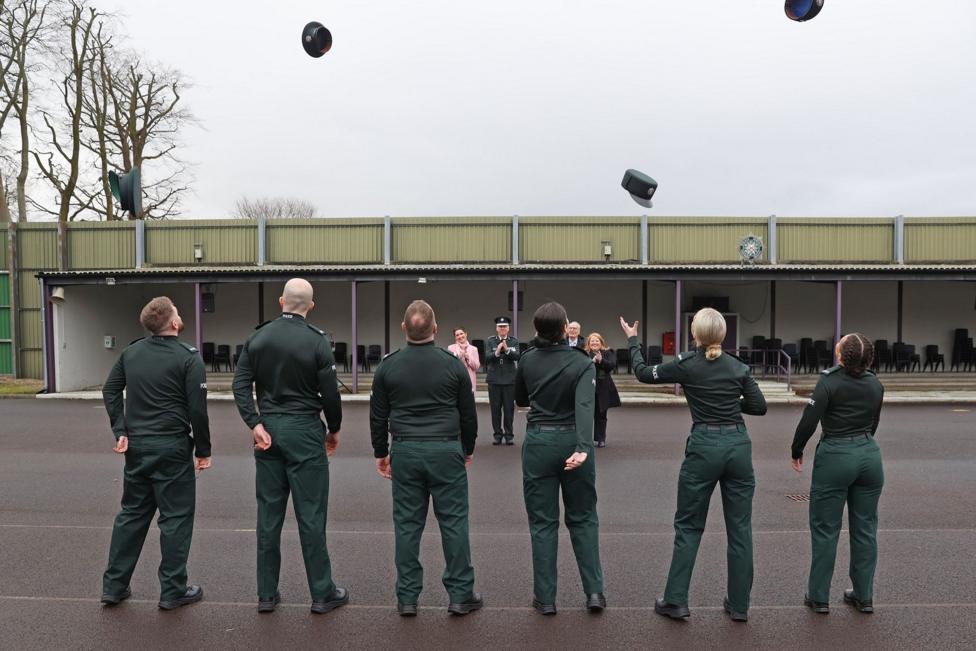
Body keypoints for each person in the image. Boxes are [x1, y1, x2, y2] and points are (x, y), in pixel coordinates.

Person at [620, 308, 767, 623]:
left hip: (704, 445)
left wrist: (633, 341)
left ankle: (676, 599)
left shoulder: (687, 364)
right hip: (738, 445)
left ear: (696, 334)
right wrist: (729, 401)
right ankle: (739, 605)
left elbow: (644, 373)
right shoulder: (738, 367)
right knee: (740, 529)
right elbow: (759, 406)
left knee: (688, 525)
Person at [232, 278, 347, 615]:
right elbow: (330, 394)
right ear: (310, 306)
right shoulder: (318, 341)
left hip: (268, 429)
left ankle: (266, 593)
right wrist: (335, 428)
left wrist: (254, 423)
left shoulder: (258, 337)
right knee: (311, 515)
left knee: (268, 515)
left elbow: (240, 386)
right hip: (305, 430)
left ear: (281, 300)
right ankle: (321, 592)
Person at [370, 300, 483, 617]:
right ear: (435, 329)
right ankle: (460, 594)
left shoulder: (388, 366)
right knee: (454, 523)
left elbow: (377, 416)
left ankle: (407, 597)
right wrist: (468, 448)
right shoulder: (453, 365)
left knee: (407, 525)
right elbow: (468, 415)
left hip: (405, 449)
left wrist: (381, 453)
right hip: (446, 449)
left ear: (404, 328)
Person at [101, 296, 211, 611]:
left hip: (137, 448)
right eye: (177, 311)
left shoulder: (131, 353)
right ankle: (173, 589)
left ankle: (114, 586)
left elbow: (110, 390)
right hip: (172, 448)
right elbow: (197, 410)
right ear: (174, 322)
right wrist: (203, 449)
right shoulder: (190, 358)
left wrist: (120, 429)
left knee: (131, 515)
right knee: (175, 519)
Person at [515, 302, 605, 616]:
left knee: (542, 523)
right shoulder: (582, 362)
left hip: (540, 440)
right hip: (572, 439)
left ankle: (546, 597)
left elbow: (521, 399)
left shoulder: (527, 360)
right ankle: (594, 591)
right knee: (583, 518)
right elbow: (584, 408)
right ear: (565, 329)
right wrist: (583, 446)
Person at [791, 333, 884, 615]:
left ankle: (819, 597)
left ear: (842, 356)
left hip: (835, 455)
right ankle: (864, 595)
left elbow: (809, 420)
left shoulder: (829, 381)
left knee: (825, 529)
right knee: (865, 529)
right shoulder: (876, 384)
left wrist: (796, 449)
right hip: (869, 455)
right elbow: (874, 422)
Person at [485, 316, 520, 445]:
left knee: (509, 409)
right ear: (496, 328)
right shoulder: (491, 341)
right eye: (500, 327)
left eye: (504, 326)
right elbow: (487, 358)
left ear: (508, 328)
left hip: (509, 380)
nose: (502, 328)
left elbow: (517, 356)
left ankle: (509, 435)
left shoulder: (514, 341)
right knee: (495, 409)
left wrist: (507, 350)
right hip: (494, 380)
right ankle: (497, 435)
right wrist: (498, 351)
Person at [584, 332, 621, 448]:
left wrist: (601, 360)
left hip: (603, 388)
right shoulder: (585, 354)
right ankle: (585, 439)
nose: (594, 343)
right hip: (588, 388)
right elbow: (581, 368)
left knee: (601, 415)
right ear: (589, 344)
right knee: (586, 415)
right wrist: (592, 362)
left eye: (597, 341)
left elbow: (612, 366)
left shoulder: (608, 352)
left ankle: (601, 439)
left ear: (601, 342)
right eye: (592, 341)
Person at [448, 327, 481, 396]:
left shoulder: (474, 349)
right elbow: (450, 366)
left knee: (469, 404)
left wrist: (468, 357)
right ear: (455, 337)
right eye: (457, 335)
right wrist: (458, 357)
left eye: (461, 333)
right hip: (456, 380)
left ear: (466, 334)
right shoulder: (451, 348)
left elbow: (476, 367)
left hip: (470, 380)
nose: (460, 336)